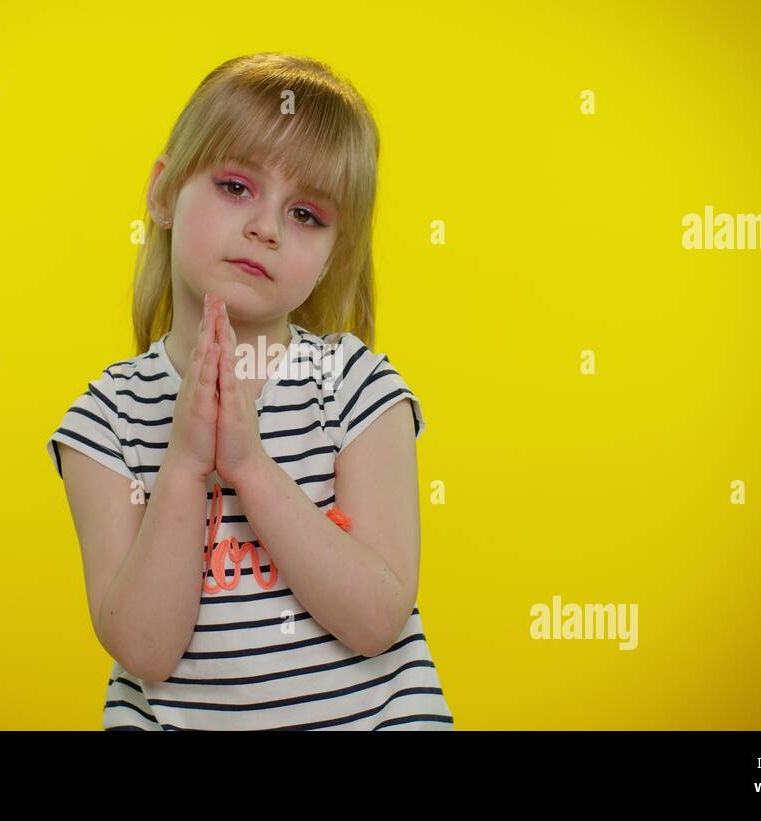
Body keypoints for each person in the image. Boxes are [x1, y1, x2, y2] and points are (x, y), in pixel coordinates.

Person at [47, 53, 453, 730]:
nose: (266, 227)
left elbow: (379, 617)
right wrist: (182, 463)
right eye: (236, 186)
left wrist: (249, 468)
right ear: (162, 192)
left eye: (305, 214)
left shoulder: (359, 389)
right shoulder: (105, 420)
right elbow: (146, 649)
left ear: (331, 256)